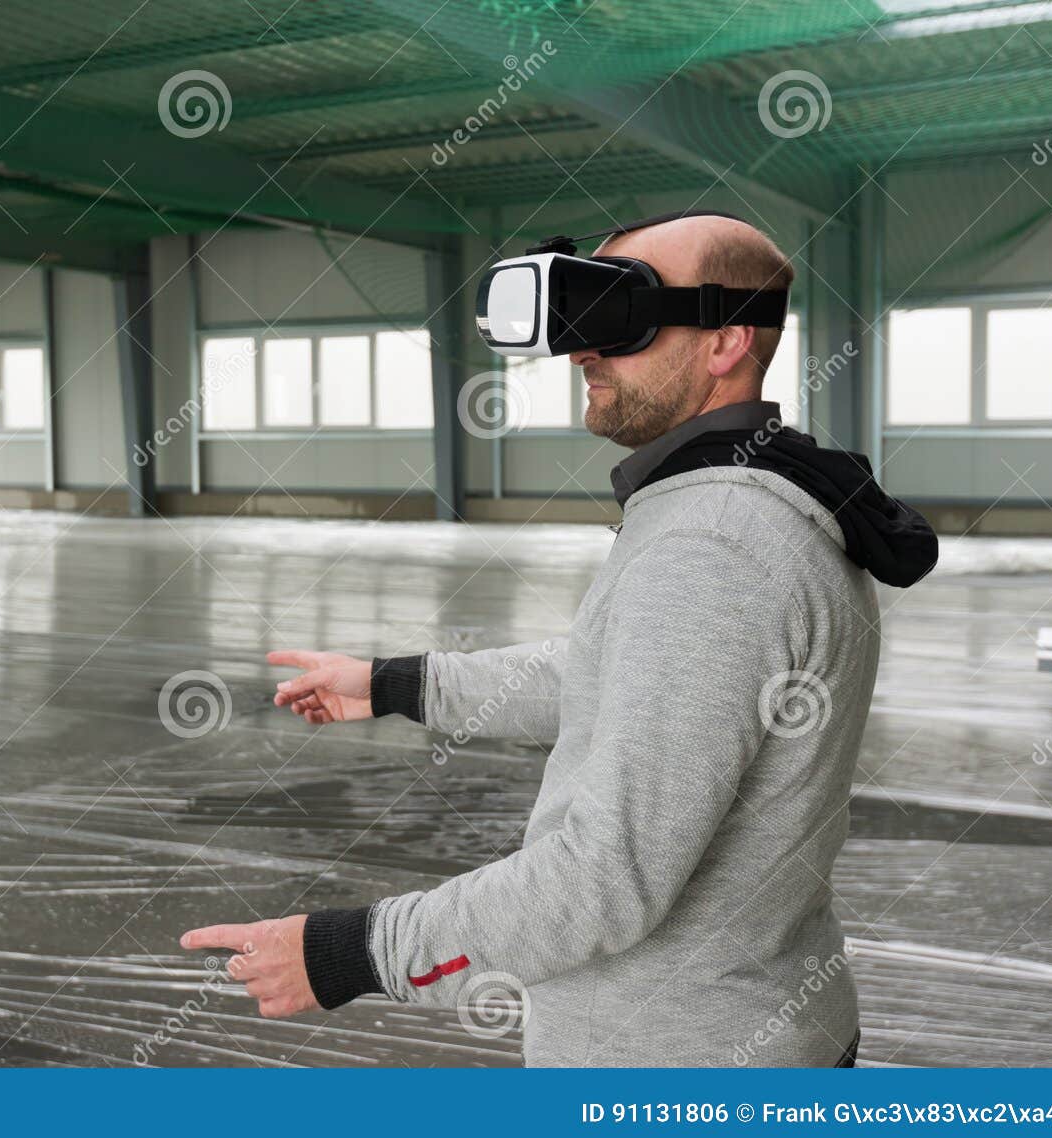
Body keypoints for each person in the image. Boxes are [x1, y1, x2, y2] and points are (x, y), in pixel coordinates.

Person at [180, 212, 937, 1066]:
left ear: (726, 342)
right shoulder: (743, 499)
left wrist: (358, 951)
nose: (582, 350)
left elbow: (606, 878)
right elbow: (610, 669)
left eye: (620, 317)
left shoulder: (713, 546)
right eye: (578, 319)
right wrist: (399, 684)